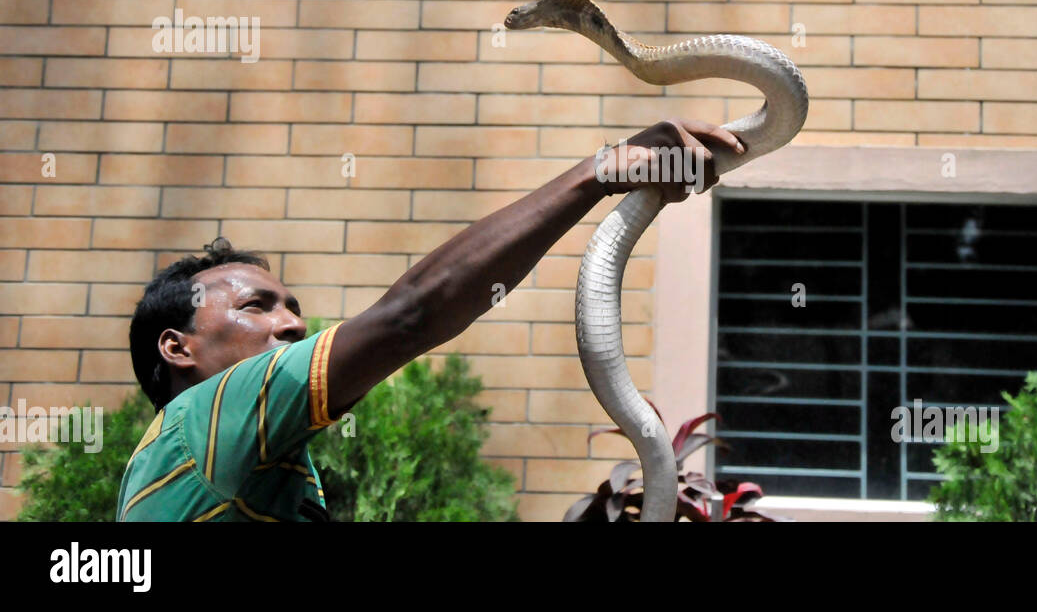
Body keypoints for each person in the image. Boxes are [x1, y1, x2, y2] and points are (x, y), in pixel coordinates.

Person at [116, 119, 744, 521]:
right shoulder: (201, 420)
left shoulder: (244, 466)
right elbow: (411, 315)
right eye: (257, 307)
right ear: (178, 348)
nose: (292, 326)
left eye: (293, 308)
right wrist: (599, 171)